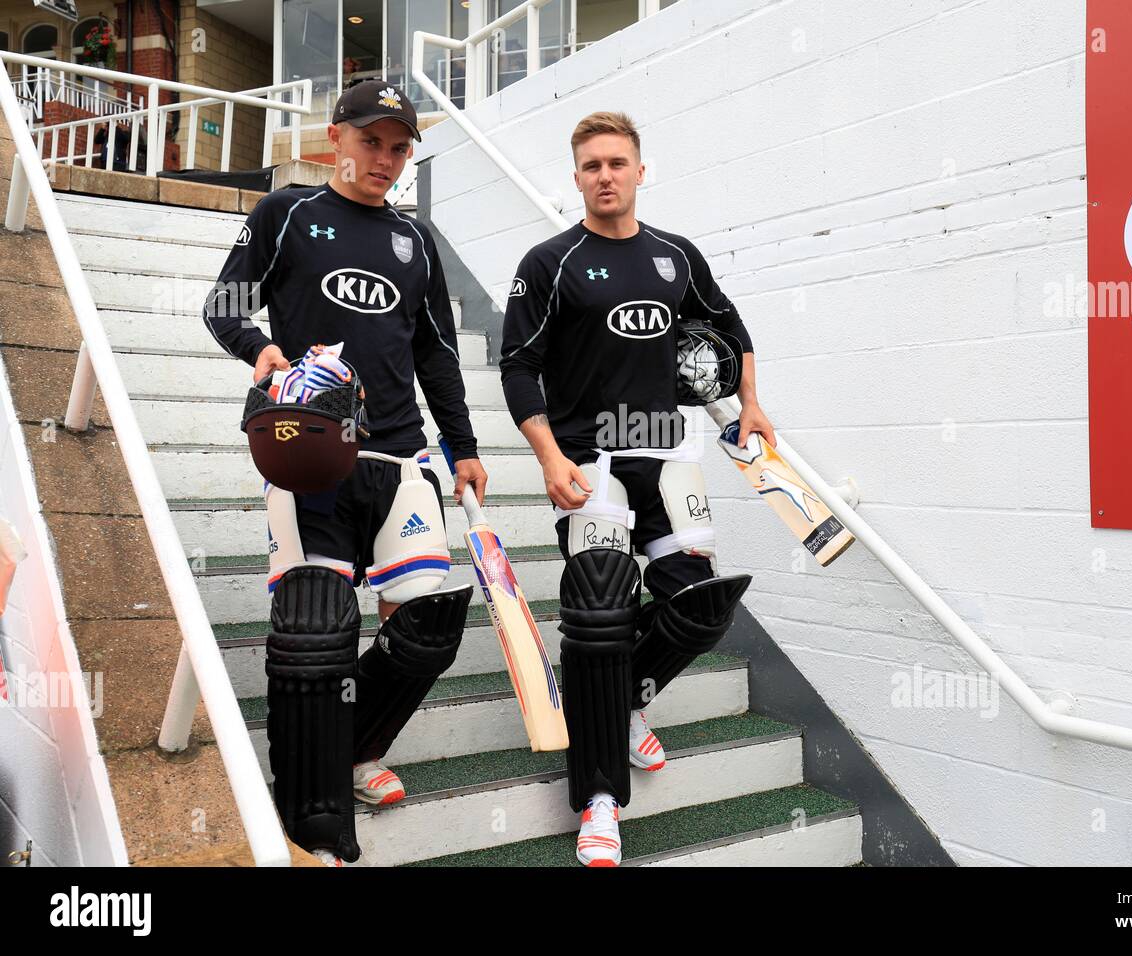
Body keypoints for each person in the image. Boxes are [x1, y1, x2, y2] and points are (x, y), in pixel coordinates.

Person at [202, 78, 488, 866]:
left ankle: (347, 752)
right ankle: (312, 808)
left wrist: (461, 446)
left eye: (399, 148)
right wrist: (259, 352)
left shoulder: (415, 240)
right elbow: (224, 303)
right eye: (372, 142)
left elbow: (434, 350)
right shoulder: (285, 213)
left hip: (401, 456)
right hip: (311, 449)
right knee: (317, 632)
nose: (386, 160)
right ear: (336, 137)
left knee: (427, 631)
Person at [499, 111, 773, 866]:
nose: (606, 175)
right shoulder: (550, 261)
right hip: (591, 464)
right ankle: (597, 802)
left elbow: (728, 328)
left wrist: (748, 401)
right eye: (591, 165)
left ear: (640, 171)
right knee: (599, 613)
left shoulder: (674, 257)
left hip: (668, 458)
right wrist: (551, 456)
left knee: (699, 604)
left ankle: (613, 701)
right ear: (577, 176)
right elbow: (518, 366)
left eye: (618, 162)